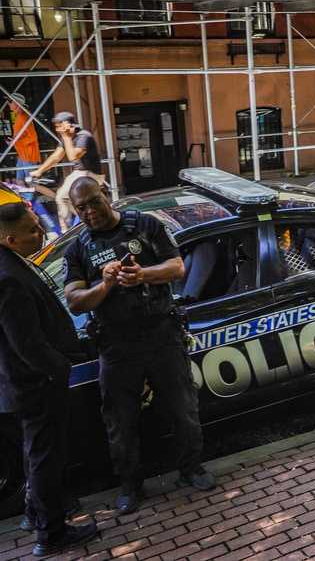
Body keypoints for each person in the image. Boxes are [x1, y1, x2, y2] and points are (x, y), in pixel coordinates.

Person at [63, 177, 214, 515]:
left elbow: (177, 267)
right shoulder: (78, 248)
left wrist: (142, 274)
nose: (89, 212)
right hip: (116, 345)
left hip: (161, 335)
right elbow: (74, 301)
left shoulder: (144, 225)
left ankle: (192, 469)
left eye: (93, 202)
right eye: (80, 208)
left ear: (106, 195)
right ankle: (130, 486)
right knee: (120, 421)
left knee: (182, 409)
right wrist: (105, 285)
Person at [0, 201, 98, 556]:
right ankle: (51, 533)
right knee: (45, 458)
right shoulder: (8, 278)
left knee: (36, 454)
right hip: (35, 385)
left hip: (27, 383)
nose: (40, 232)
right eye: (32, 230)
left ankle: (34, 515)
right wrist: (60, 368)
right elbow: (27, 344)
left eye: (38, 224)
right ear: (10, 239)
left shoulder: (10, 265)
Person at [30, 112, 105, 233]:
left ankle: (66, 232)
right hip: (79, 174)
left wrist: (66, 137)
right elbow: (56, 157)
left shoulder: (83, 136)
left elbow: (73, 156)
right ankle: (86, 222)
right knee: (72, 200)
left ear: (69, 124)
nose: (57, 129)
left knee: (61, 197)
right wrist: (39, 171)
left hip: (89, 174)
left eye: (59, 126)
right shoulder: (67, 138)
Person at [5, 93, 40, 186]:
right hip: (22, 154)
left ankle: (34, 199)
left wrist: (15, 142)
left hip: (29, 154)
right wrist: (13, 141)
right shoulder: (19, 116)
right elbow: (22, 135)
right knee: (20, 181)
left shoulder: (24, 117)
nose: (8, 104)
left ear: (17, 103)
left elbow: (33, 137)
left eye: (10, 101)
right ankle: (25, 200)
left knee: (31, 183)